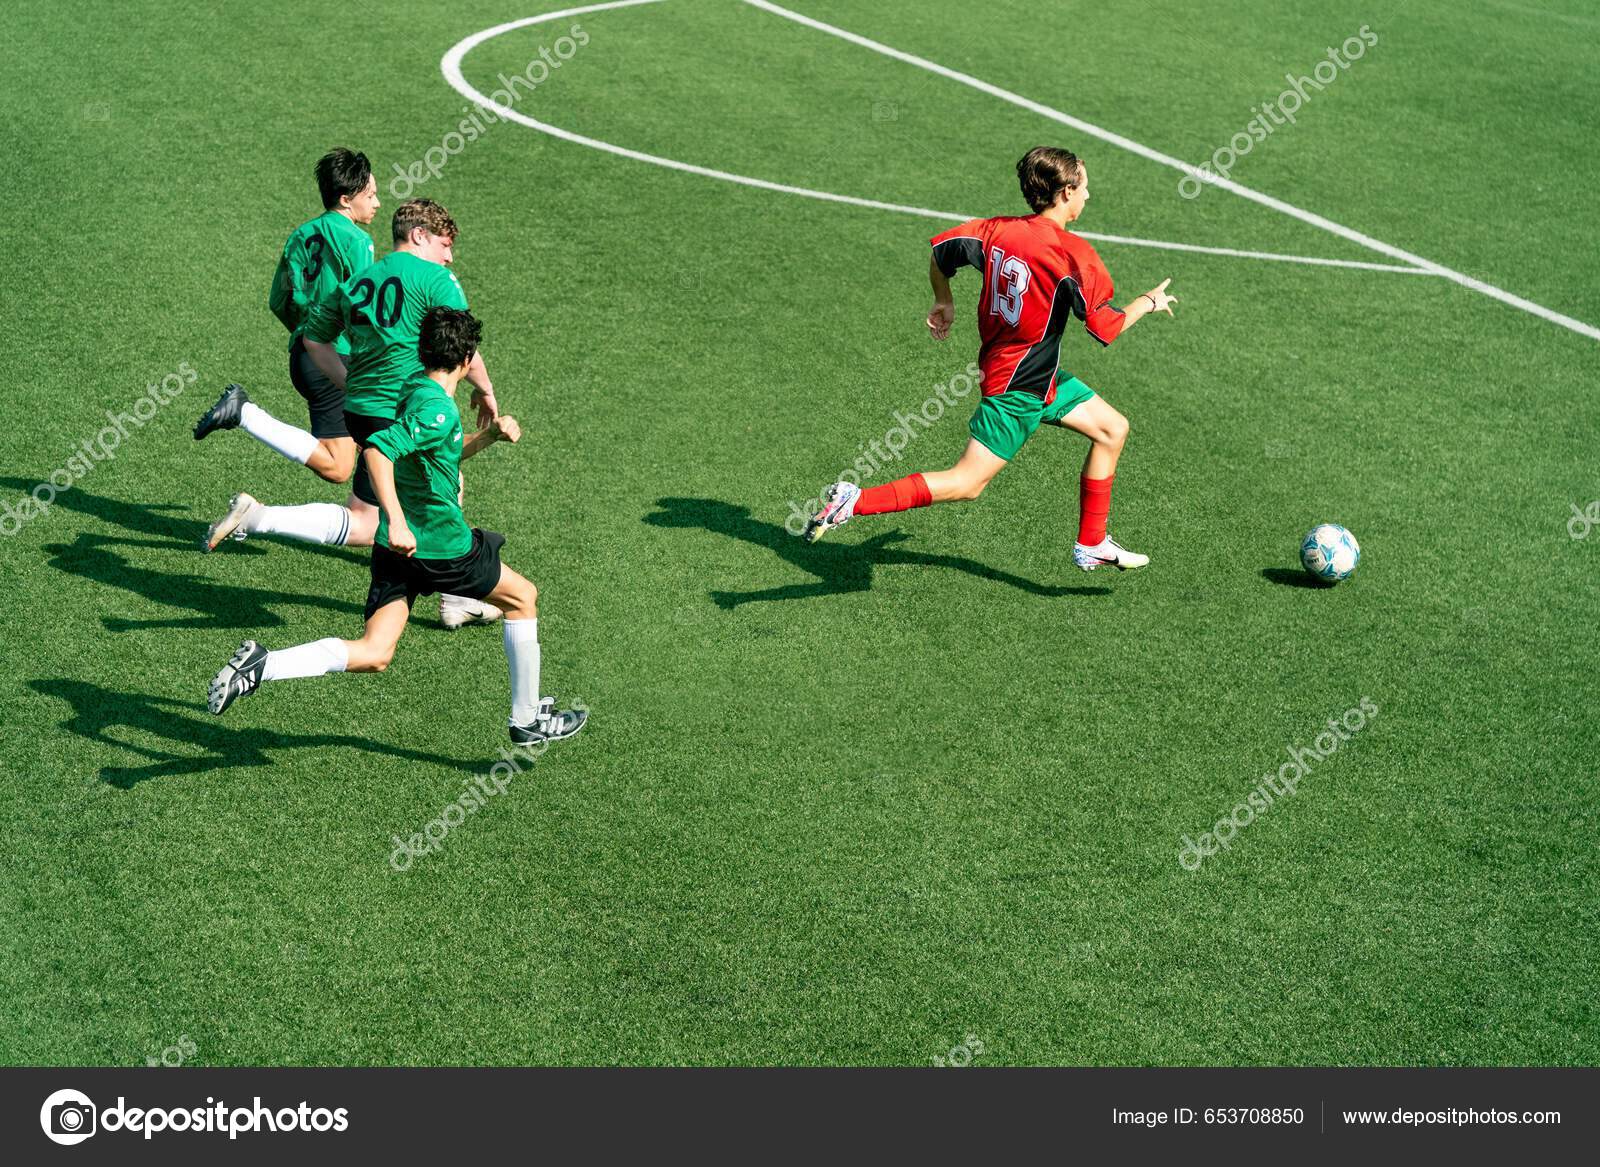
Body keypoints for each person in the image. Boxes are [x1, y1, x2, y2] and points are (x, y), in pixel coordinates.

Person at [208, 308, 587, 746]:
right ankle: (526, 720)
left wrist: (487, 438)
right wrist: (401, 520)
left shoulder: (417, 390)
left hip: (396, 550)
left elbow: (433, 452)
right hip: (440, 549)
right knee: (523, 598)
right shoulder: (438, 410)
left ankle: (261, 666)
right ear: (465, 360)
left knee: (375, 653)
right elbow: (378, 453)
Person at [803, 147, 1177, 572]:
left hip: (1032, 374)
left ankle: (1092, 542)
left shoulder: (994, 230)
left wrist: (943, 300)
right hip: (1019, 388)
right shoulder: (1071, 253)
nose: (1089, 196)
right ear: (1066, 192)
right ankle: (854, 501)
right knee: (966, 482)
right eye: (1085, 188)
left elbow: (941, 253)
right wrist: (1147, 302)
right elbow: (1104, 327)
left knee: (1112, 429)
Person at [196, 196, 502, 629]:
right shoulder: (438, 278)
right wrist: (486, 390)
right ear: (419, 236)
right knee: (415, 499)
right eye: (445, 243)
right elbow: (460, 341)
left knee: (379, 509)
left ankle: (260, 515)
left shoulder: (358, 282)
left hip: (360, 411)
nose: (449, 254)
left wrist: (349, 384)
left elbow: (314, 340)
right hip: (403, 409)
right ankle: (456, 596)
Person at [195, 147, 377, 482]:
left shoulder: (300, 235)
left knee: (356, 452)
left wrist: (304, 332)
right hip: (338, 357)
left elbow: (278, 300)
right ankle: (245, 414)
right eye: (371, 195)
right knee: (344, 464)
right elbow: (360, 307)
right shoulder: (358, 241)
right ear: (346, 199)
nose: (377, 203)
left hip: (303, 357)